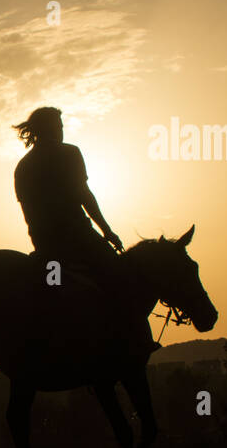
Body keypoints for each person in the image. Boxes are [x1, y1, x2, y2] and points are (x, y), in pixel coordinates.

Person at [11, 106, 156, 354]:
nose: (61, 130)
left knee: (52, 292)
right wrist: (107, 231)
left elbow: (28, 215)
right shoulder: (69, 154)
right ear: (50, 129)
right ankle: (132, 341)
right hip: (80, 238)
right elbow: (84, 196)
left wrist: (42, 242)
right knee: (120, 278)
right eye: (58, 126)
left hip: (45, 246)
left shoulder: (23, 167)